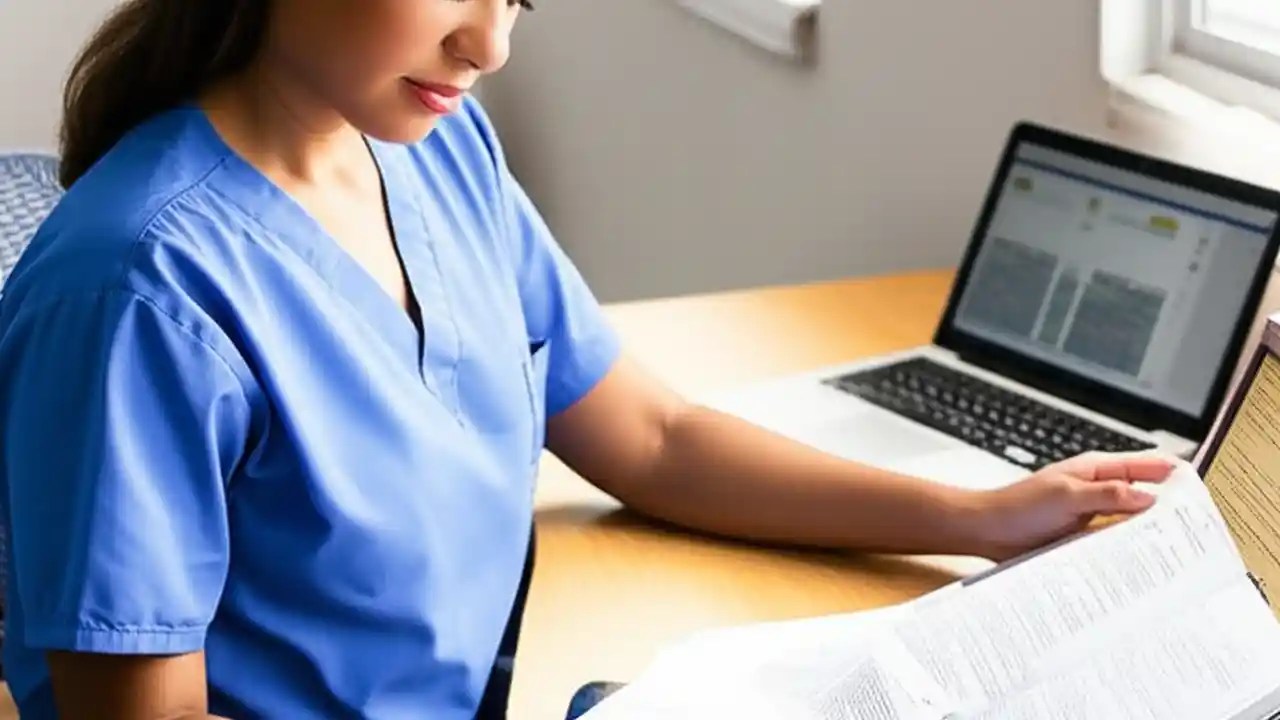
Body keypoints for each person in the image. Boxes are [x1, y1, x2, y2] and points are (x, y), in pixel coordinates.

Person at [0, 1, 1174, 718]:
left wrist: (974, 518)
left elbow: (650, 438)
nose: (490, 41)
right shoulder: (140, 291)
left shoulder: (435, 151)